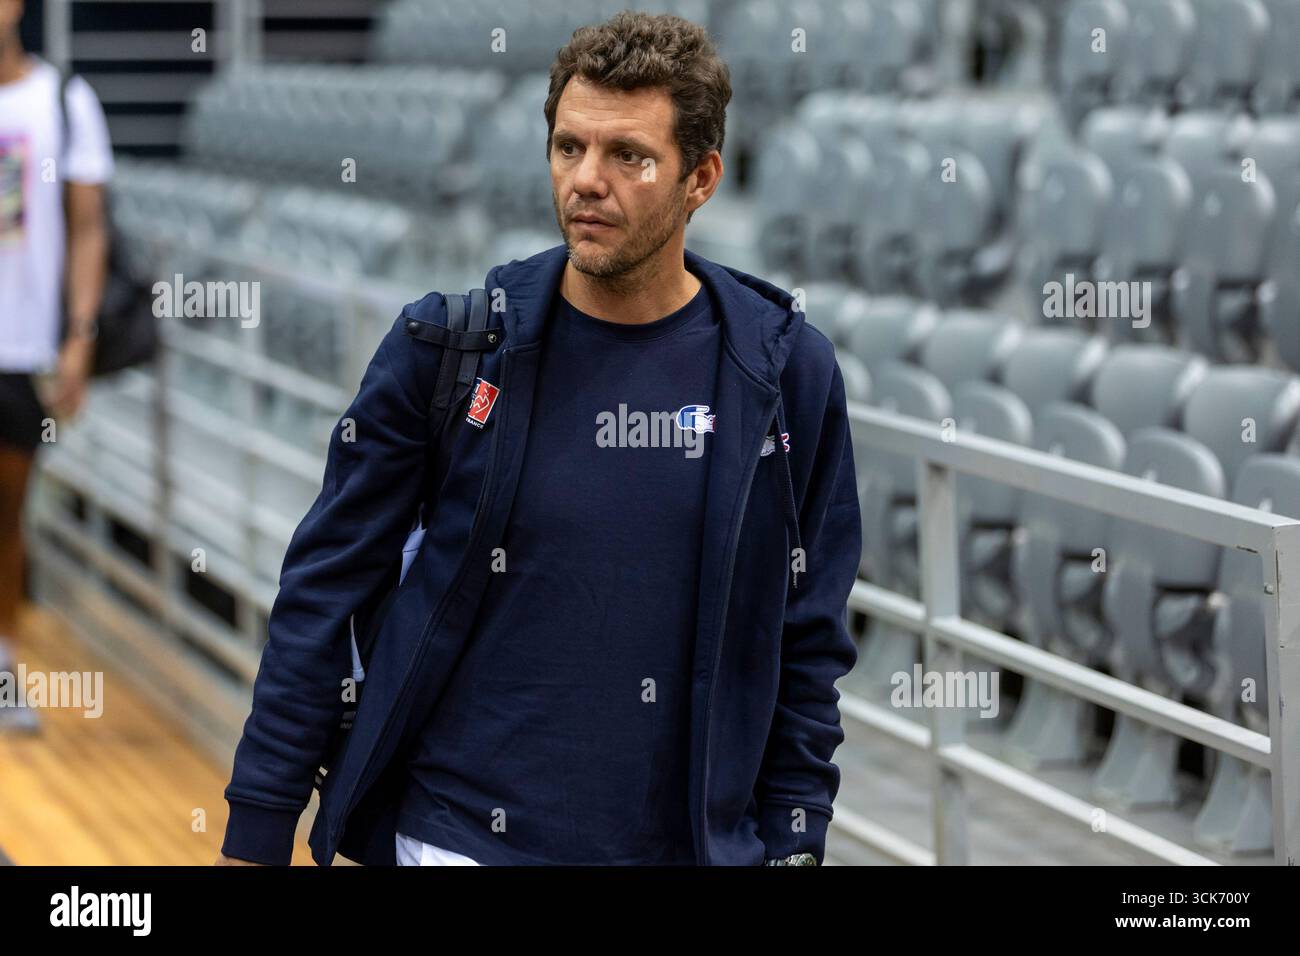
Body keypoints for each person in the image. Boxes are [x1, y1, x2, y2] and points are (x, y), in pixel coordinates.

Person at [218, 11, 860, 867]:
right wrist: (259, 828)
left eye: (628, 155)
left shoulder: (785, 376)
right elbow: (322, 594)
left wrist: (795, 841)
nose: (587, 180)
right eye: (569, 147)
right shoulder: (448, 349)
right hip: (456, 842)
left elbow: (807, 640)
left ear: (701, 178)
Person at [0, 0, 113, 734]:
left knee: (7, 516)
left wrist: (79, 336)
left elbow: (88, 226)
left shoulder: (65, 99)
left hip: (21, 350)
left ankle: (3, 663)